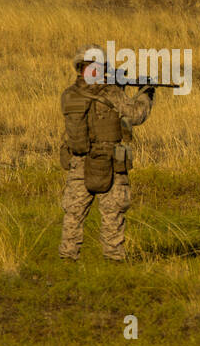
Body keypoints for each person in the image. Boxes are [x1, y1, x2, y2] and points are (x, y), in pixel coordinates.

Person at [58, 46, 156, 262]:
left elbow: (89, 112)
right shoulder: (110, 92)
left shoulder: (68, 95)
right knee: (113, 213)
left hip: (79, 162)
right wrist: (146, 94)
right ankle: (114, 259)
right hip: (111, 161)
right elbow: (136, 115)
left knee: (74, 214)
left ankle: (67, 258)